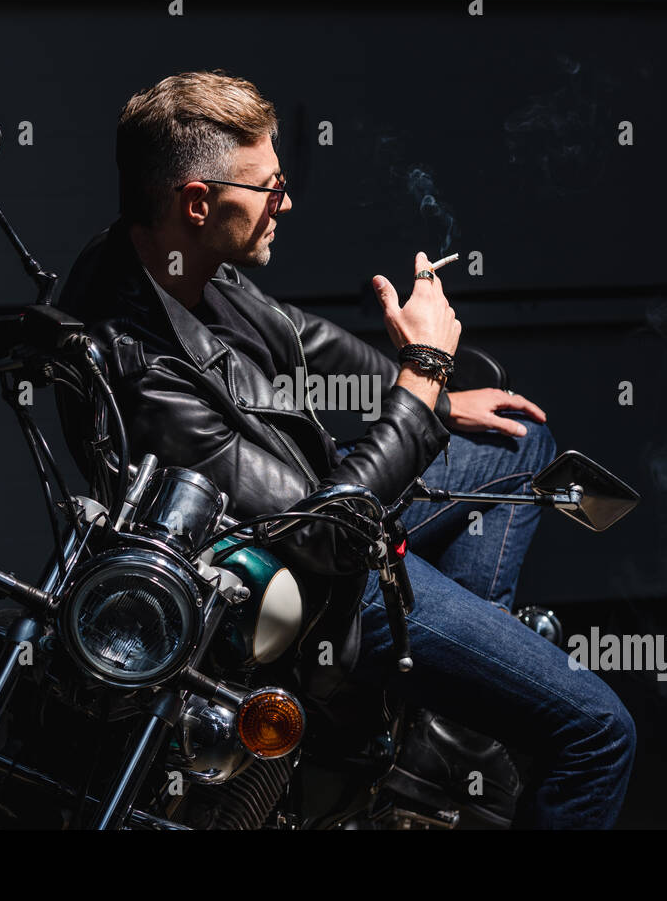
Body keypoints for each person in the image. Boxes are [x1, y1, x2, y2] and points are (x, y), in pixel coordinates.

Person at [55, 69, 635, 828]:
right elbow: (322, 536)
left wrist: (441, 400)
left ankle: (442, 732)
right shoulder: (147, 377)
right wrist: (422, 373)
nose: (286, 202)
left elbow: (298, 333)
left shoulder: (166, 258)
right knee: (599, 732)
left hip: (324, 497)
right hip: (321, 584)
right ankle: (455, 704)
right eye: (270, 187)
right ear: (198, 202)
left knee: (518, 443)